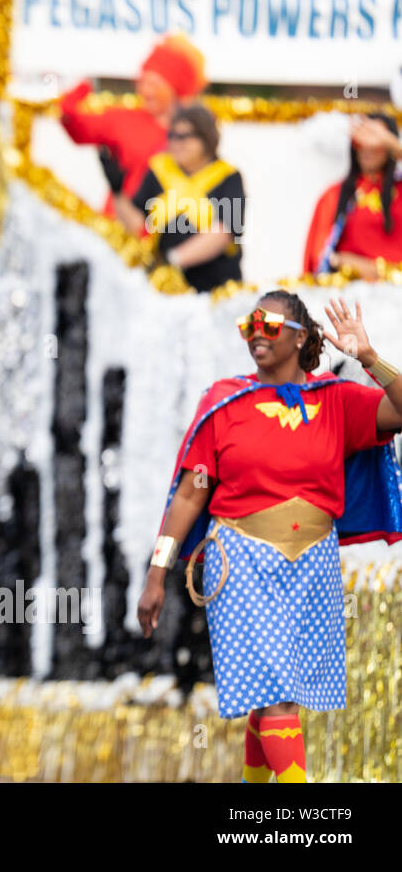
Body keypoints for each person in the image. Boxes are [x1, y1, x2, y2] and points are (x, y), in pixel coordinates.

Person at [138, 290, 402, 782]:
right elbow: (189, 496)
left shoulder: (337, 400)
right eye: (248, 324)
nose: (256, 332)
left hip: (313, 563)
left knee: (276, 694)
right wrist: (157, 573)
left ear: (301, 336)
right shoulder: (223, 402)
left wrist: (367, 357)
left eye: (269, 324)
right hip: (240, 561)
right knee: (277, 691)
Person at [59, 33, 207, 215]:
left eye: (154, 84)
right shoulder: (123, 120)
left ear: (174, 87)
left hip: (167, 233)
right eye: (142, 83)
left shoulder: (195, 132)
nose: (145, 91)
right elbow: (74, 122)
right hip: (120, 227)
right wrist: (85, 85)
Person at [114, 104, 244, 293]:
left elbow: (224, 232)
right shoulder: (159, 170)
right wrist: (117, 192)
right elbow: (135, 224)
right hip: (165, 288)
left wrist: (171, 260)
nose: (177, 143)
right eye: (172, 136)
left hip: (215, 288)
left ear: (207, 138)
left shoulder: (228, 177)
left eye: (185, 136)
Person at [303, 114, 402, 279]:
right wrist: (340, 260)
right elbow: (316, 257)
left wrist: (392, 144)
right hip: (350, 295)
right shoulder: (334, 194)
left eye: (376, 144)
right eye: (360, 142)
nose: (367, 148)